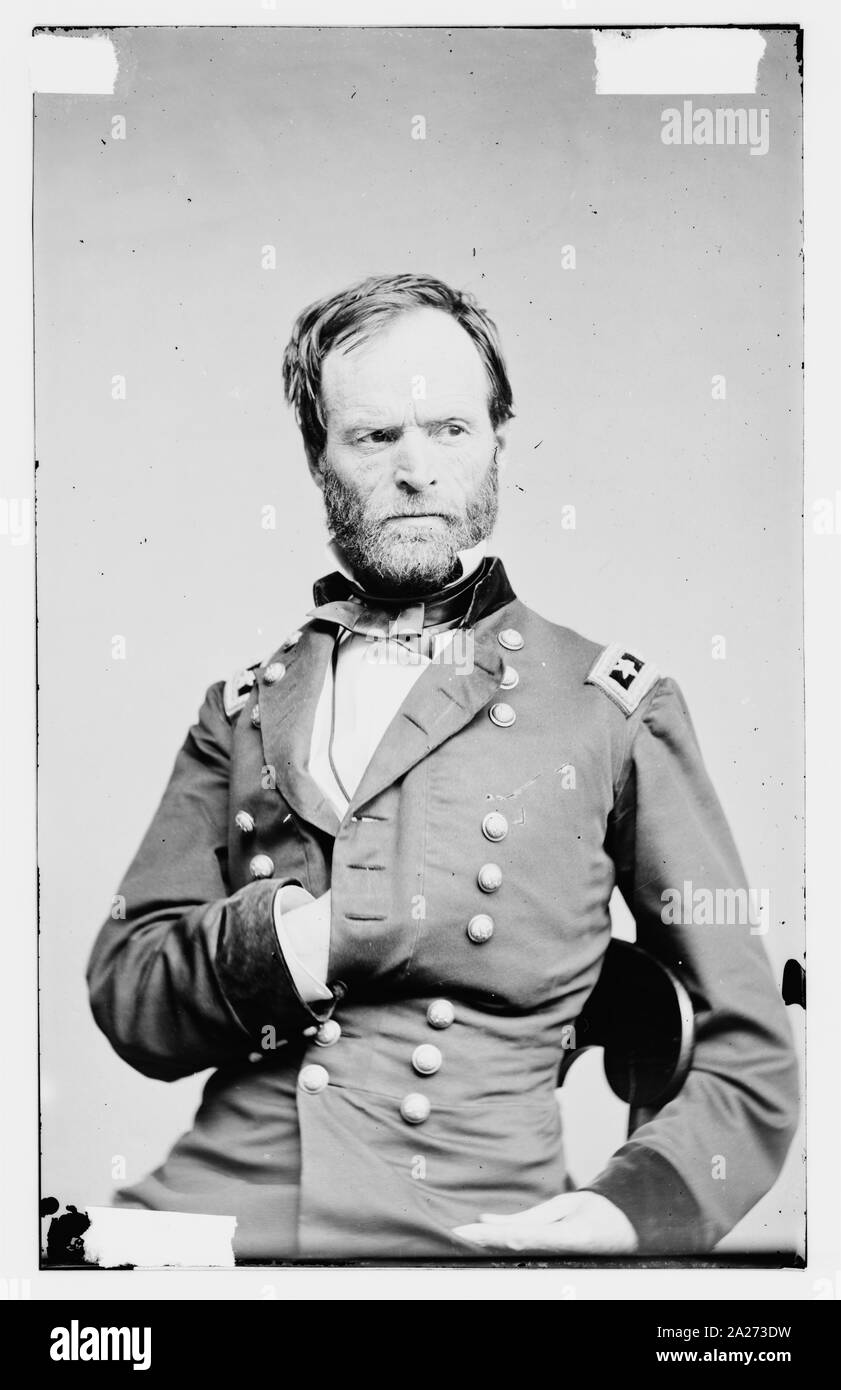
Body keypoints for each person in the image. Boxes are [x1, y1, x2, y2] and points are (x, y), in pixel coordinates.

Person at [87, 273, 799, 1260]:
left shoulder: (608, 708)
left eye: (451, 430)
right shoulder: (245, 707)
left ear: (498, 441)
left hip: (459, 1238)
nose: (417, 469)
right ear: (317, 455)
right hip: (210, 1223)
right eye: (376, 437)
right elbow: (128, 989)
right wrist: (307, 941)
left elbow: (748, 1048)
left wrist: (632, 1211)